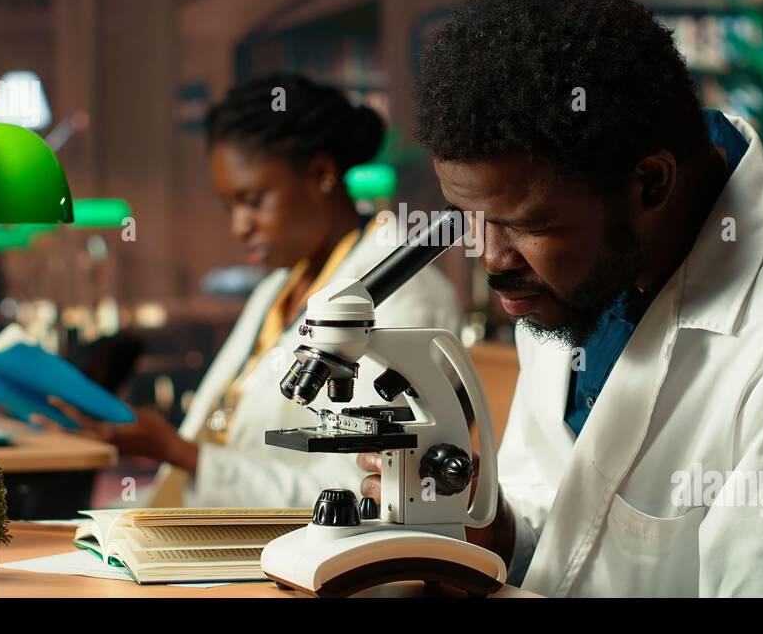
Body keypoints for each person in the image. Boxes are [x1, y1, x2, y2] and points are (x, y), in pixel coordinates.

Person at [357, 0, 763, 597]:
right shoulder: (578, 278)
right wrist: (498, 534)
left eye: (525, 224)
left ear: (648, 184)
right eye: (473, 218)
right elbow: (573, 547)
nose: (489, 257)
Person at [41, 73, 462, 508]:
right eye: (230, 207)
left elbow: (361, 488)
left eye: (254, 200)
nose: (239, 227)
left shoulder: (409, 293)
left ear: (320, 174)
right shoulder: (280, 288)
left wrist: (176, 451)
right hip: (216, 522)